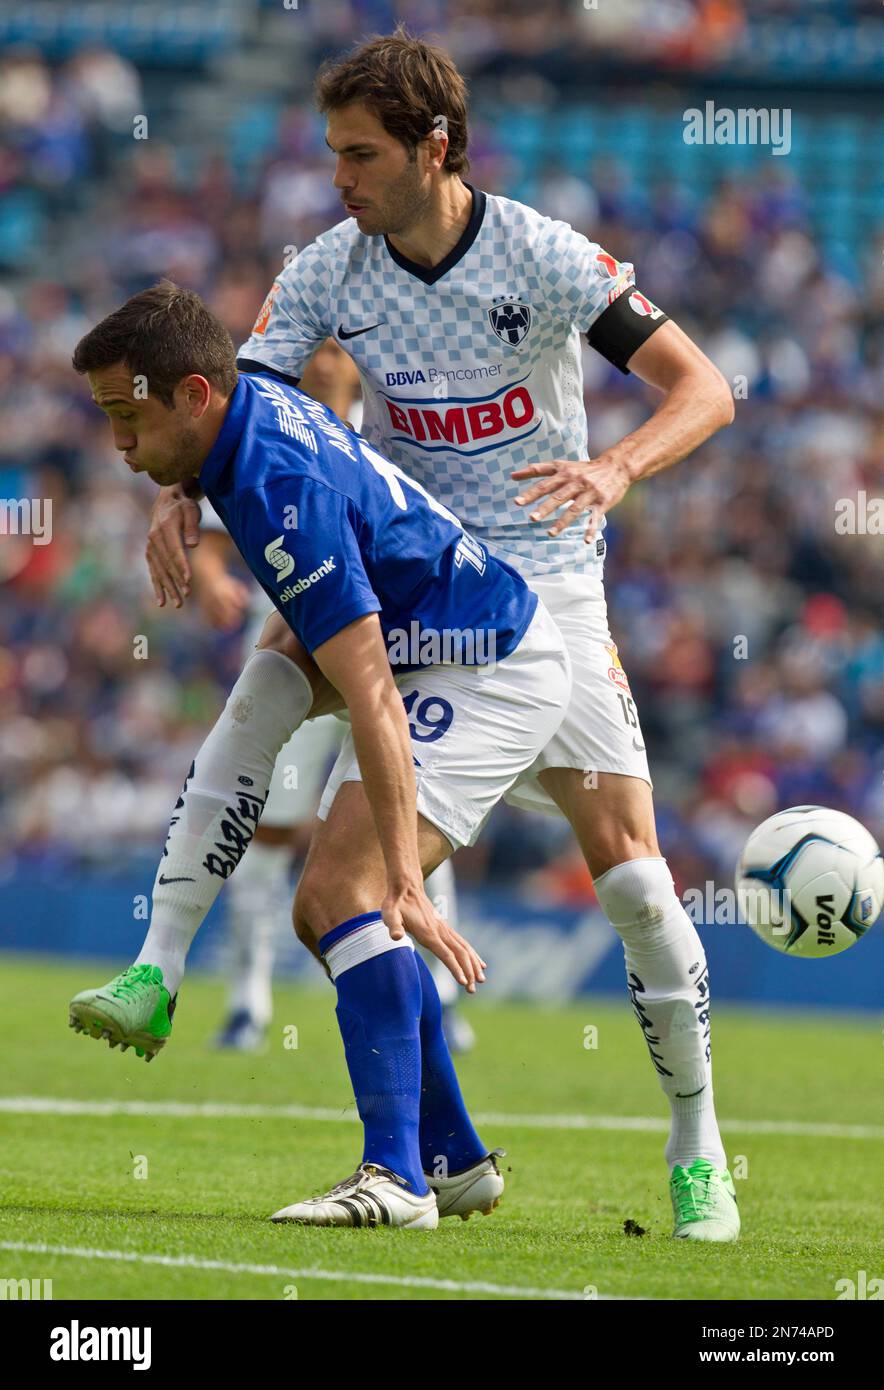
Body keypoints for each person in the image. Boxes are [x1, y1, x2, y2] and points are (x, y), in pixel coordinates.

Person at [144, 29, 740, 1241]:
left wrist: (616, 465)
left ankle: (696, 1148)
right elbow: (236, 406)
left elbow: (704, 386)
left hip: (550, 596)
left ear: (435, 147)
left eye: (361, 155)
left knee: (630, 875)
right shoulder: (329, 269)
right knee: (338, 888)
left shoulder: (543, 254)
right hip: (414, 588)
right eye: (329, 155)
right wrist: (176, 498)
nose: (339, 178)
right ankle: (426, 1157)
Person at [67, 281, 572, 1229]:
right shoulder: (239, 397)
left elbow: (374, 692)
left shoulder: (279, 497)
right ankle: (452, 1159)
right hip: (434, 630)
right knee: (262, 692)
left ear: (191, 396)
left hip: (484, 662)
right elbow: (228, 384)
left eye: (127, 416)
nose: (119, 443)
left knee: (339, 899)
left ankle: (398, 1182)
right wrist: (175, 495)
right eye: (106, 419)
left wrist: (407, 883)